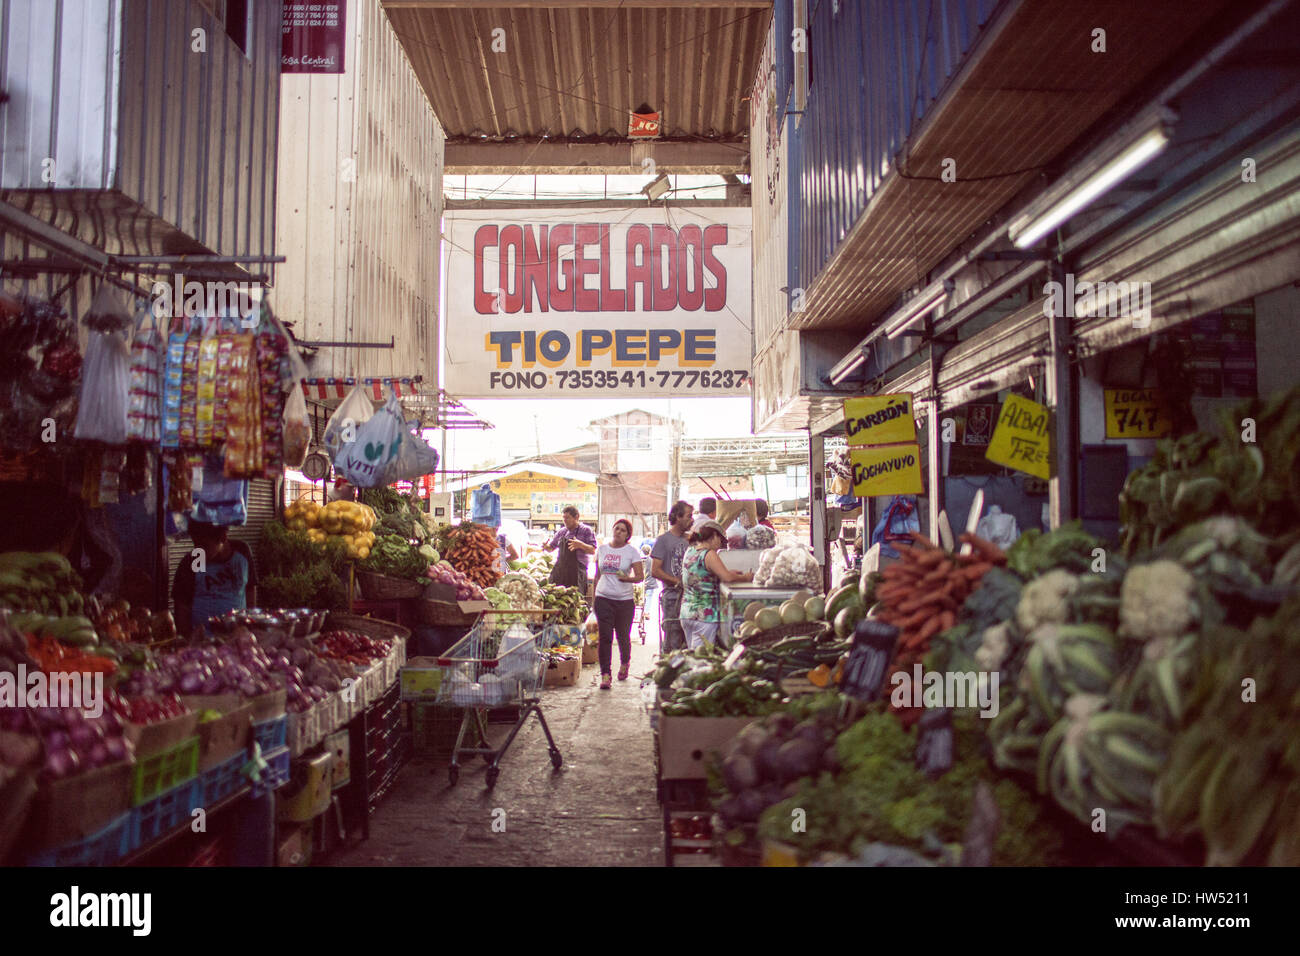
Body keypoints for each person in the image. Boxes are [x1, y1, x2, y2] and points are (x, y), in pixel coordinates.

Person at [172, 520, 257, 637]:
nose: (199, 550)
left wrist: (250, 626)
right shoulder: (194, 561)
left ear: (223, 538)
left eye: (204, 545)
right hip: (203, 641)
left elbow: (250, 589)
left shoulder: (242, 552)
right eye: (196, 544)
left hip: (238, 636)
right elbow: (182, 608)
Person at [680, 520, 753, 649]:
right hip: (705, 616)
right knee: (701, 660)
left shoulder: (690, 551)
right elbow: (727, 577)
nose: (720, 545)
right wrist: (745, 577)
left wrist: (729, 573)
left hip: (687, 613)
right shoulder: (708, 554)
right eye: (720, 540)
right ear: (714, 536)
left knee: (692, 656)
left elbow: (701, 574)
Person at [592, 519, 644, 689]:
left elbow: (640, 576)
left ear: (628, 535)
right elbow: (597, 576)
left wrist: (627, 578)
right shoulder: (602, 549)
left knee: (623, 636)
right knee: (605, 637)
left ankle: (624, 663)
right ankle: (605, 675)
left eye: (623, 530)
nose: (619, 532)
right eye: (617, 528)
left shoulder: (632, 552)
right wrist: (594, 599)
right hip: (603, 598)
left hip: (624, 601)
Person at [651, 500, 694, 652]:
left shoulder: (690, 540)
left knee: (689, 642)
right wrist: (677, 582)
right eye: (689, 516)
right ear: (677, 517)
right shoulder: (663, 540)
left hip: (691, 598)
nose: (692, 519)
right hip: (672, 599)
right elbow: (655, 570)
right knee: (673, 640)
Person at [543, 505, 597, 590]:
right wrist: (546, 547)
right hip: (561, 571)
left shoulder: (586, 530)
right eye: (563, 518)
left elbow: (593, 550)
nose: (565, 521)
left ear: (576, 517)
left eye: (567, 518)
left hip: (577, 572)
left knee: (575, 598)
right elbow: (551, 548)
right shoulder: (562, 532)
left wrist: (580, 545)